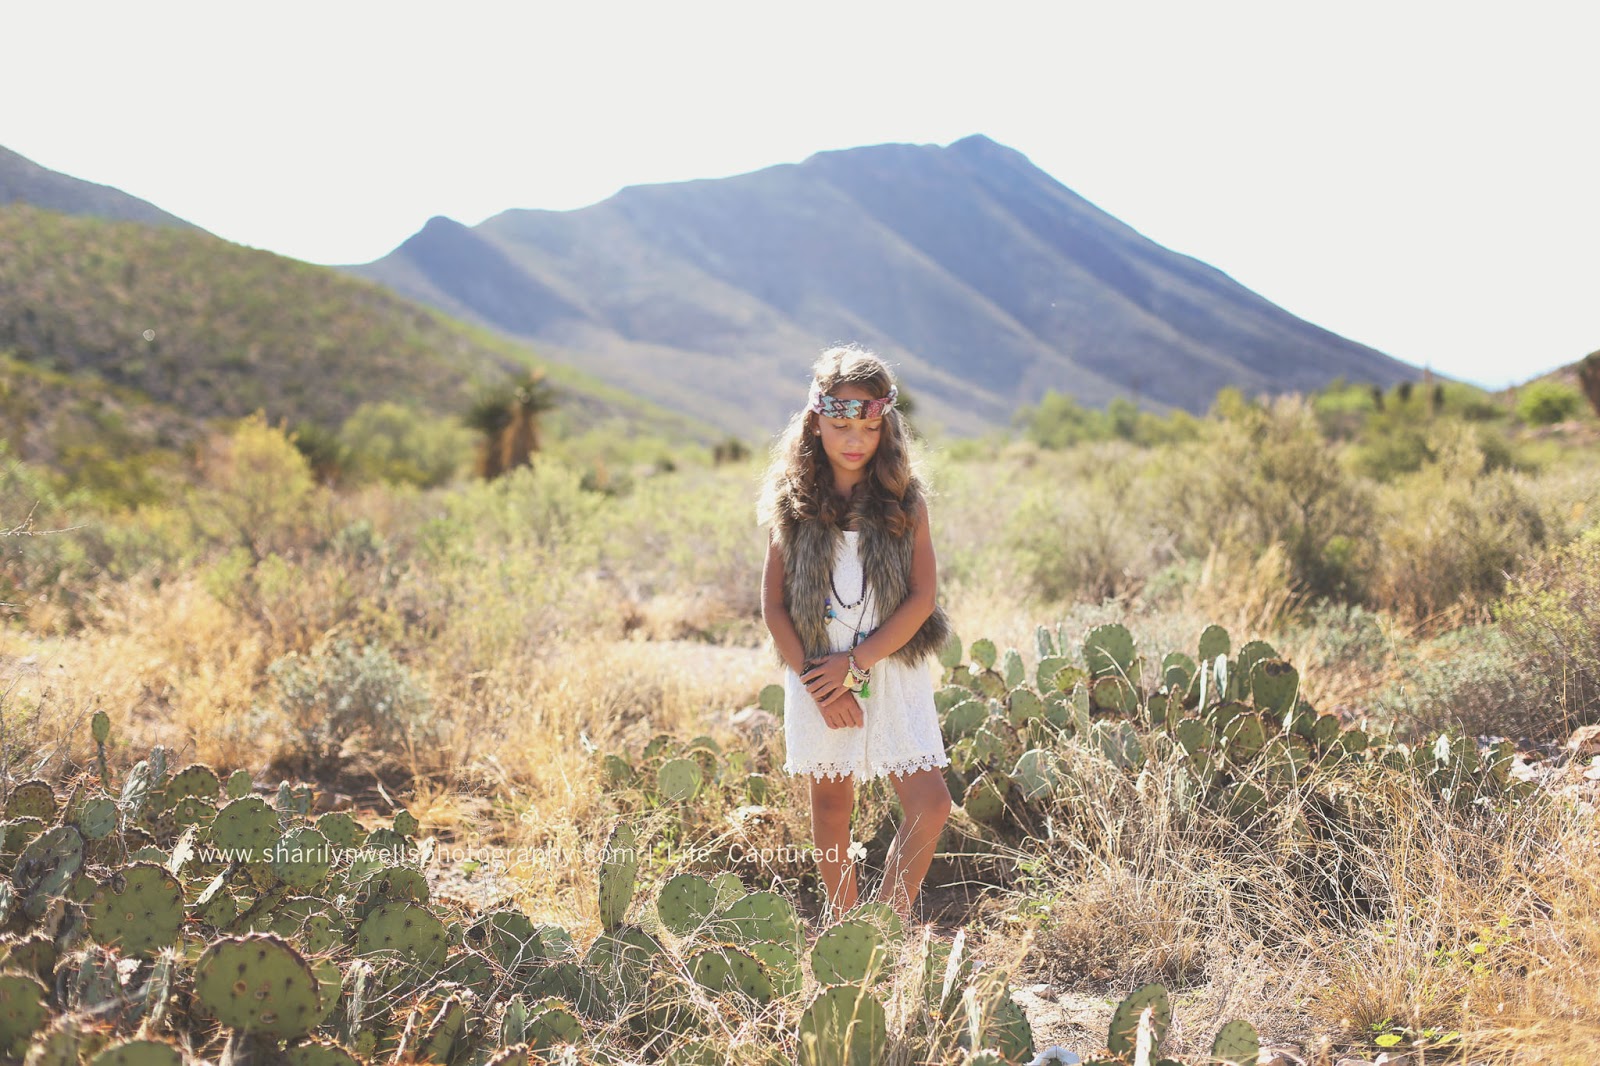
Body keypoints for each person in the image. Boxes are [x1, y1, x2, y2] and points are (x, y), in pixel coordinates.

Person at [757, 345, 954, 926]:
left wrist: (859, 663)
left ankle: (884, 928)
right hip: (817, 671)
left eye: (867, 426)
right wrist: (826, 685)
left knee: (930, 802)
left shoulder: (905, 503)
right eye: (839, 424)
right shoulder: (792, 508)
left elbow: (922, 598)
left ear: (884, 426)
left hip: (890, 663)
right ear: (816, 423)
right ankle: (845, 929)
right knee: (832, 802)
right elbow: (773, 606)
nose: (853, 439)